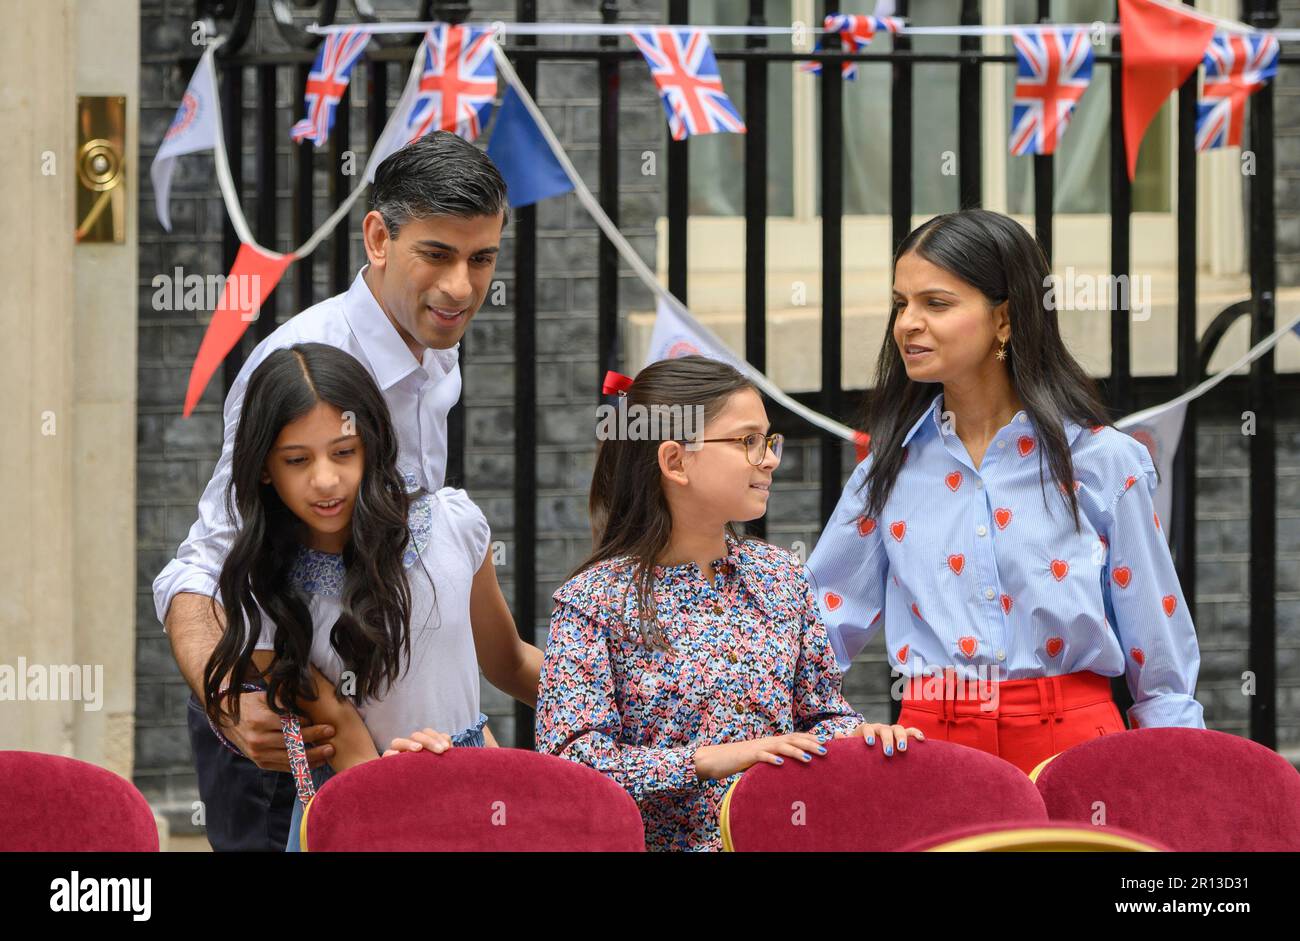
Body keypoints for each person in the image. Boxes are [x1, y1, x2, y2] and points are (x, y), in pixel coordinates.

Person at [154, 132, 511, 850]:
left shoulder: (436, 342)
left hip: (405, 731)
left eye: (481, 259)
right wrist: (227, 704)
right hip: (289, 735)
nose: (460, 287)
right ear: (377, 238)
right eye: (437, 255)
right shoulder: (297, 366)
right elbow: (200, 566)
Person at [806, 209, 1205, 777]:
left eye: (935, 303)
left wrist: (1180, 784)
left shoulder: (1102, 462)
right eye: (900, 303)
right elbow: (813, 633)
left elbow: (1160, 667)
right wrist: (839, 730)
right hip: (932, 759)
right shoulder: (887, 470)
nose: (907, 324)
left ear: (1005, 318)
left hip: (1077, 756)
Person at [534, 356, 923, 851]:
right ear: (675, 461)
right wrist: (706, 760)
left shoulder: (782, 576)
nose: (770, 459)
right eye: (748, 441)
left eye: (769, 440)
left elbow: (821, 714)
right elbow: (573, 763)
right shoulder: (593, 602)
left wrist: (861, 737)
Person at [201, 343, 541, 851]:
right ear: (265, 467)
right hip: (356, 810)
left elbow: (509, 660)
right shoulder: (263, 586)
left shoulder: (454, 526)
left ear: (372, 445)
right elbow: (342, 733)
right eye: (297, 460)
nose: (325, 480)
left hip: (473, 789)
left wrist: (616, 712)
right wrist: (399, 781)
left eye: (343, 452)